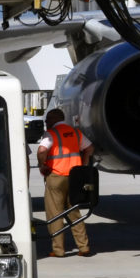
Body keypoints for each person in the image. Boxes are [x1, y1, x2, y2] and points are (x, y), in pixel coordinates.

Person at [36, 108, 94, 258]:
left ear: (54, 119)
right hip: (74, 177)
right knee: (74, 213)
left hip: (56, 177)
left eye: (47, 120)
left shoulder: (51, 134)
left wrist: (42, 165)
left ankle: (58, 250)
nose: (46, 123)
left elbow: (42, 150)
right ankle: (84, 247)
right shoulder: (75, 133)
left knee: (55, 214)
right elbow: (89, 148)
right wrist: (84, 165)